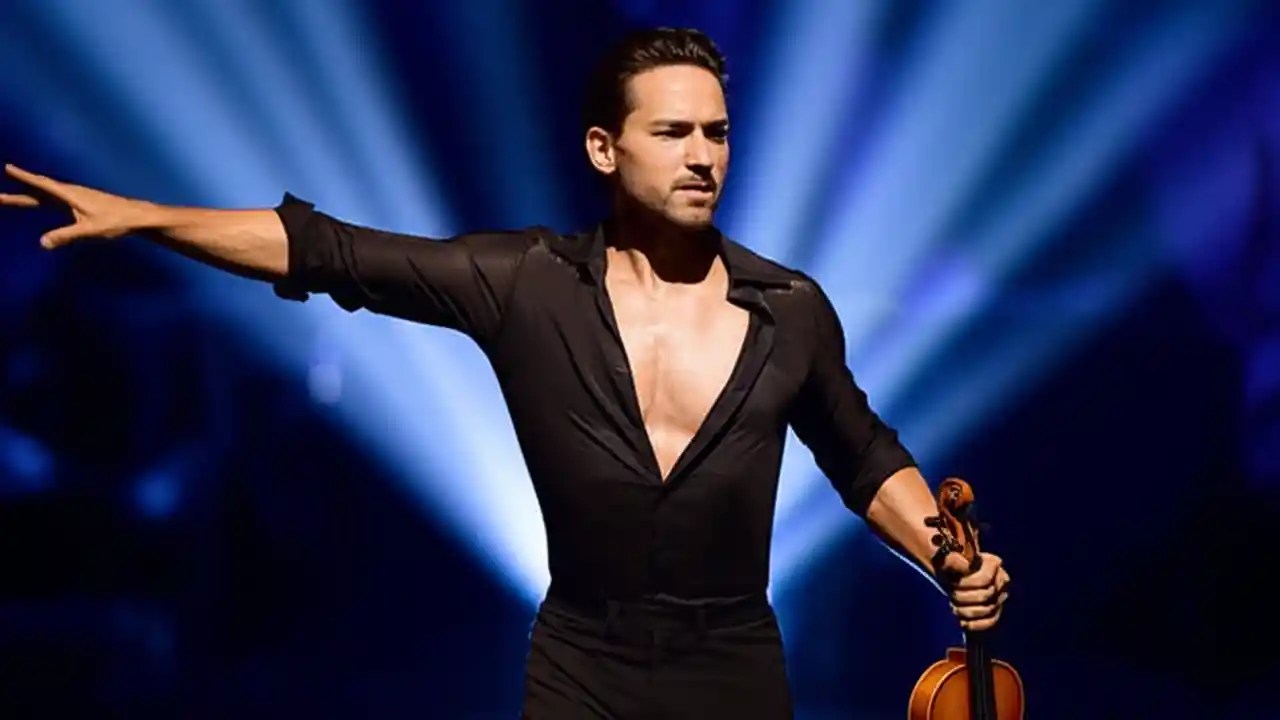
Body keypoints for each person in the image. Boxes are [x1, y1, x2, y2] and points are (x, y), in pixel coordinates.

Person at [2, 26, 1009, 720]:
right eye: (672, 132)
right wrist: (144, 217)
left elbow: (861, 452)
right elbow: (329, 251)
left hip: (732, 668)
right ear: (603, 150)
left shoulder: (789, 309)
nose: (702, 155)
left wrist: (944, 555)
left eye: (716, 132)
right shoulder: (524, 282)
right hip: (581, 663)